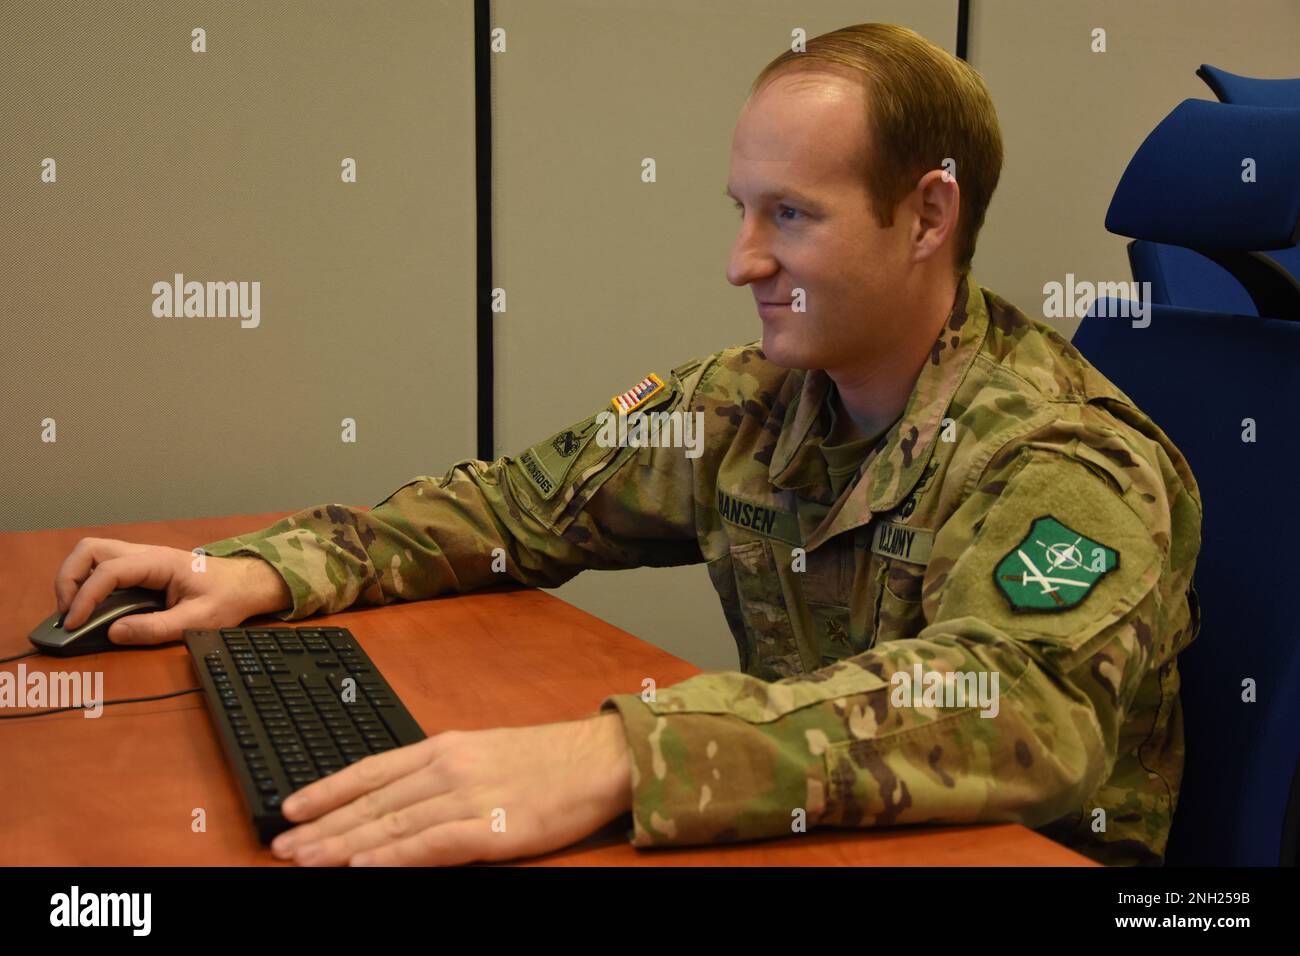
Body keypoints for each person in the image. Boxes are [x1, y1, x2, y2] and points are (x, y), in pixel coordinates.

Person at [51, 23, 1201, 867]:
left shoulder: (1063, 453)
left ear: (929, 215)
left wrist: (620, 755)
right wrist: (266, 565)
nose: (741, 261)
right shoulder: (749, 403)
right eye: (741, 210)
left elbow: (1014, 709)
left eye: (789, 214)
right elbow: (517, 508)